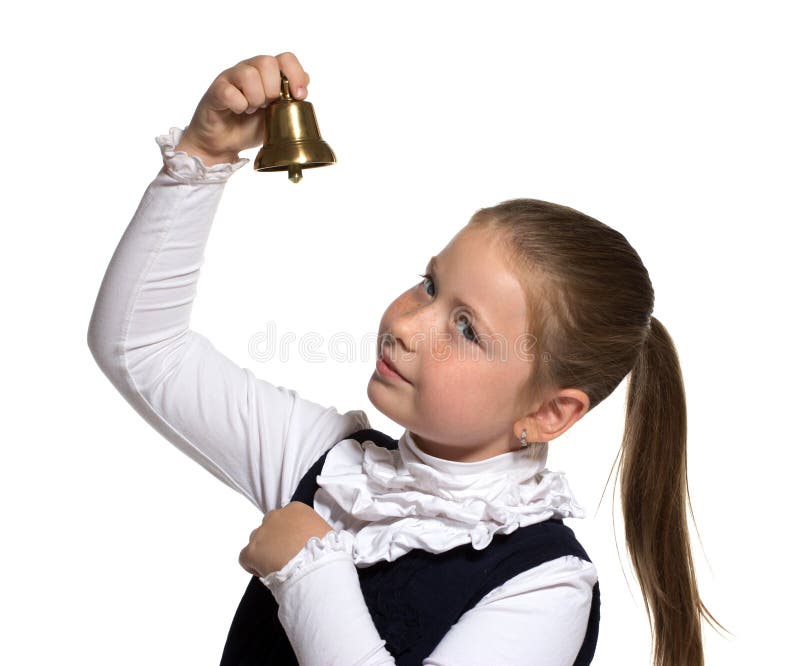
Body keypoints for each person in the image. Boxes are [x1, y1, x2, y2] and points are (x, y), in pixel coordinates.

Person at [87, 52, 720, 666]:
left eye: (467, 328)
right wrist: (206, 153)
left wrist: (311, 574)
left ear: (551, 412)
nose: (408, 326)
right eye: (430, 285)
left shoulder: (546, 586)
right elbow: (143, 348)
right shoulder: (328, 464)